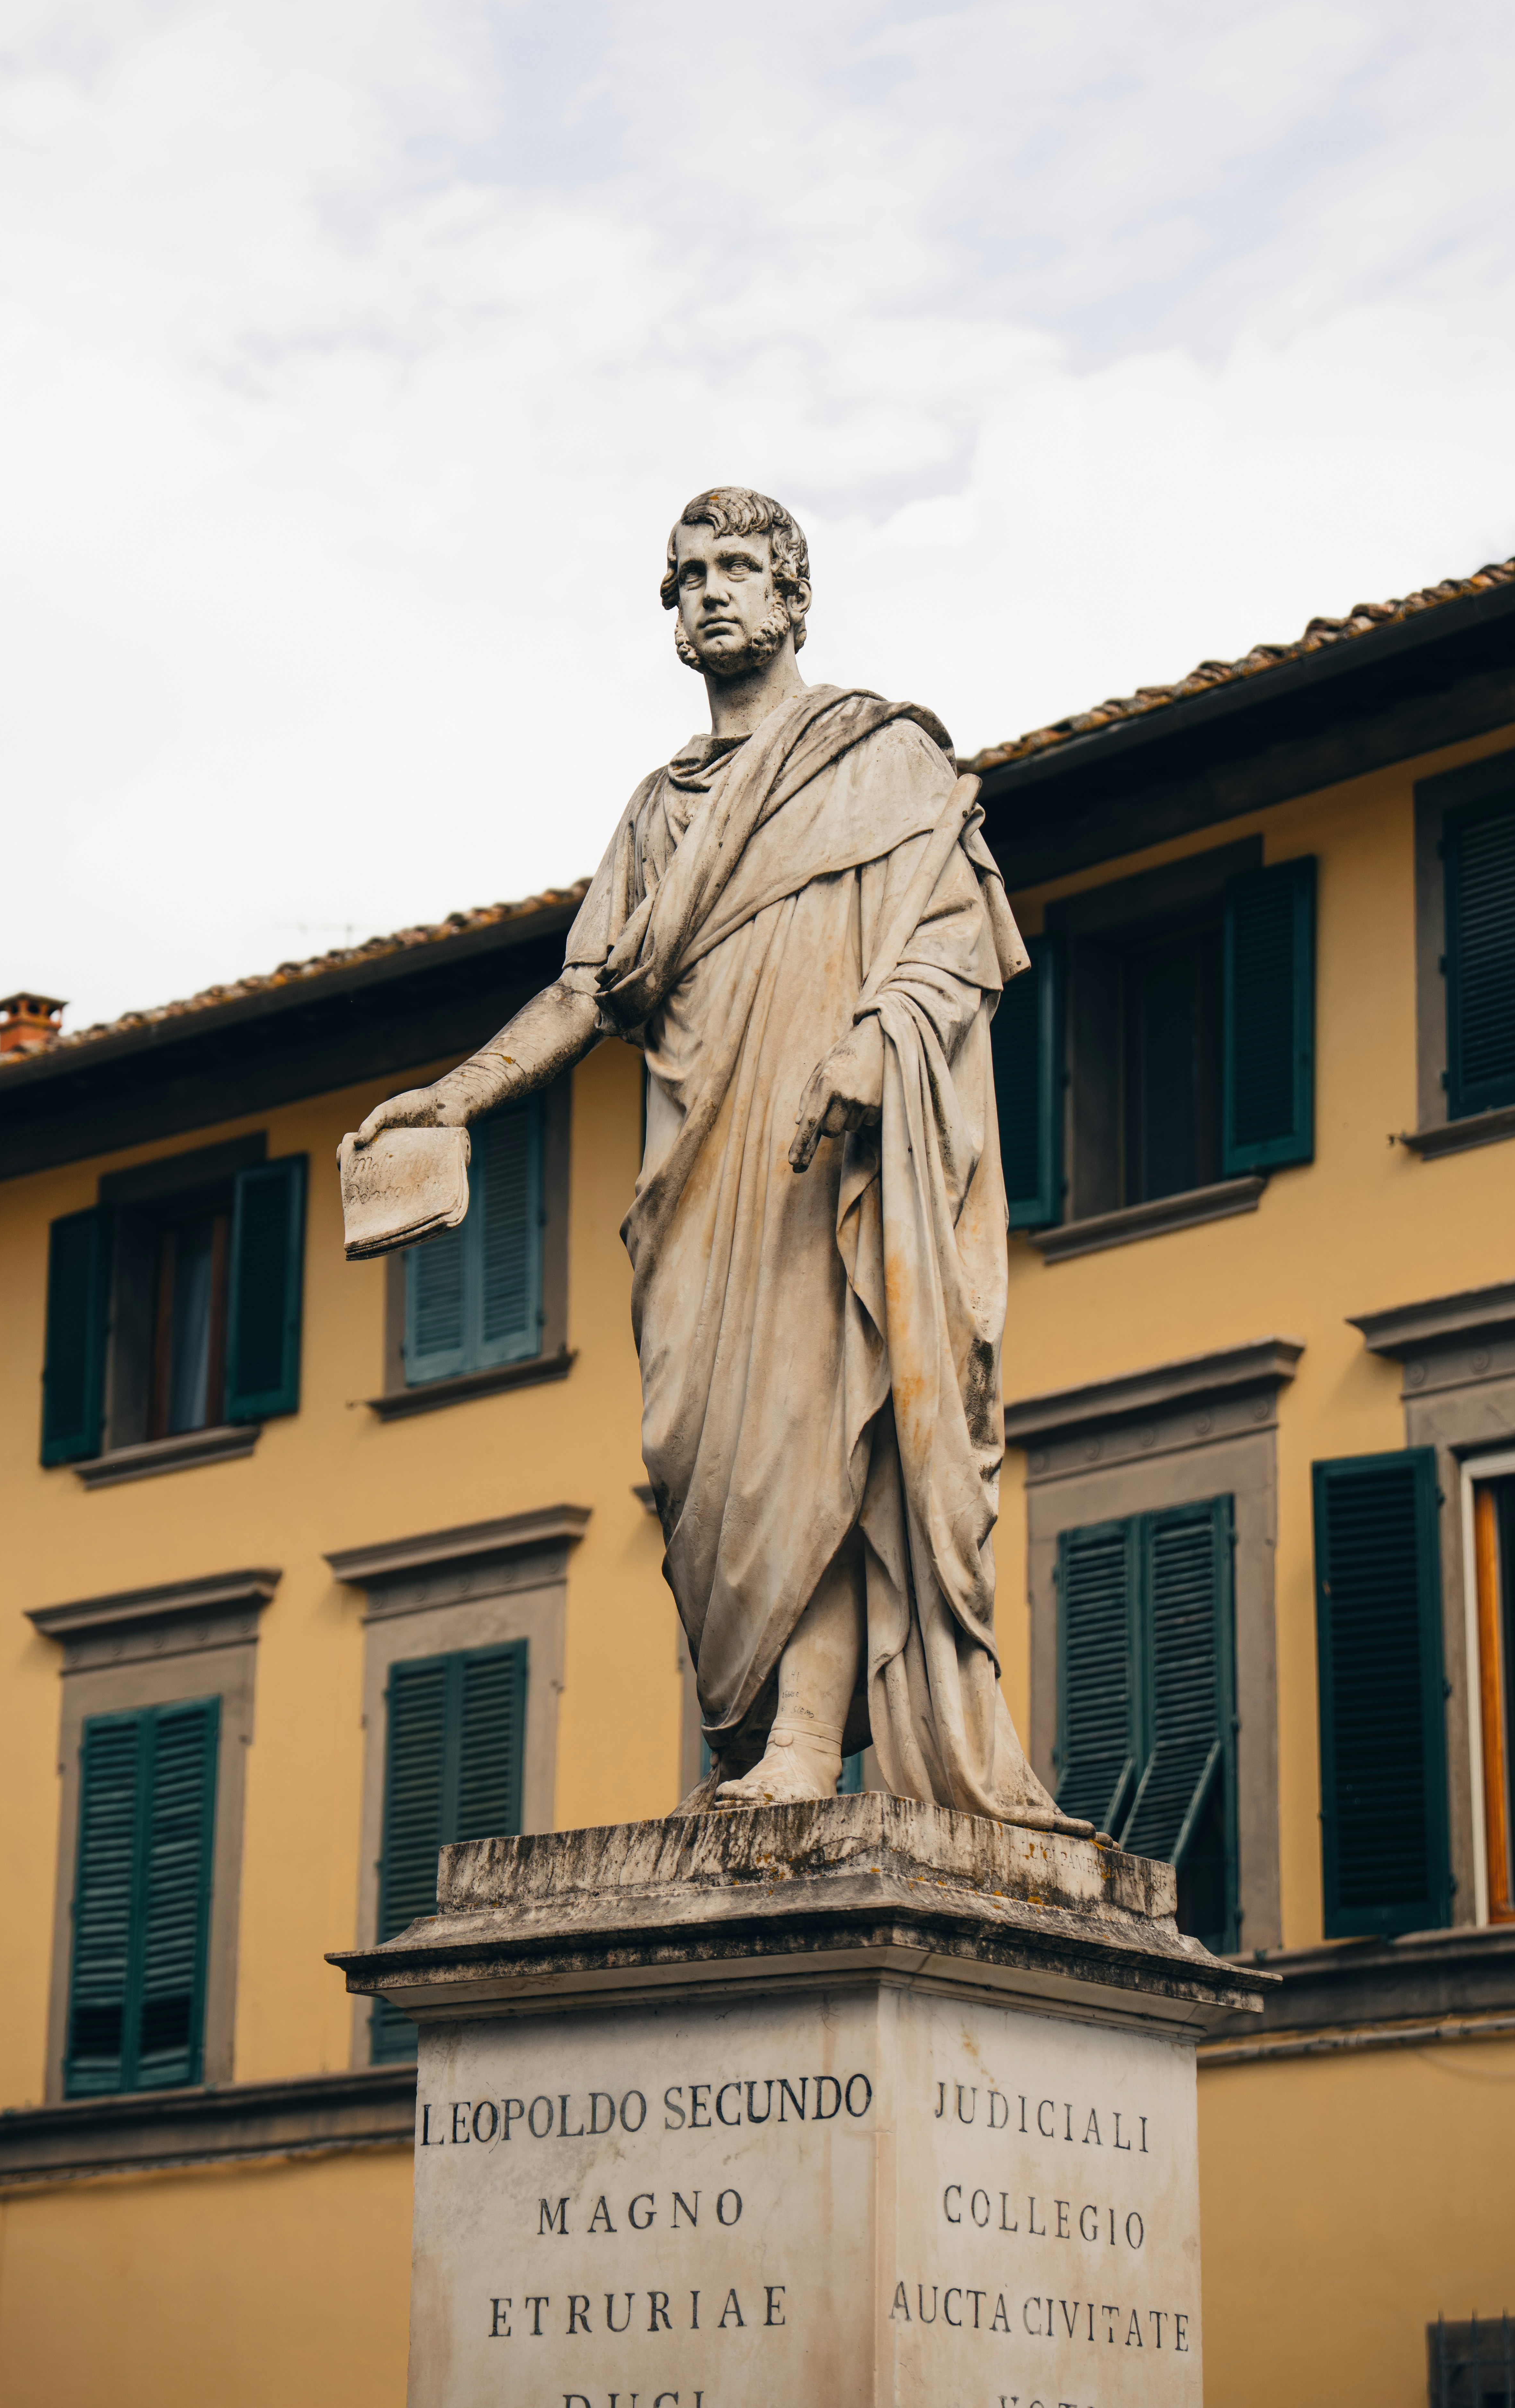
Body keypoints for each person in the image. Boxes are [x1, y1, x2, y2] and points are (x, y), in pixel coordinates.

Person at [355, 487, 1085, 1832]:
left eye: (738, 568)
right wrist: (453, 1097)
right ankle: (780, 1730)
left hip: (836, 1156)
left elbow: (957, 936)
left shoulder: (884, 761)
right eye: (685, 574)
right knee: (720, 1456)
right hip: (703, 1183)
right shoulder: (658, 814)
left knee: (828, 1423)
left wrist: (883, 1039)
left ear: (795, 595)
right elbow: (586, 992)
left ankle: (809, 1742)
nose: (709, 593)